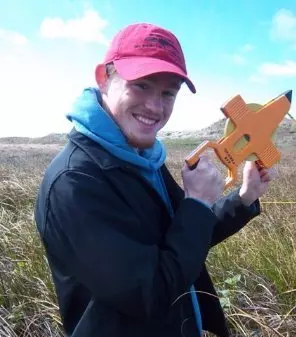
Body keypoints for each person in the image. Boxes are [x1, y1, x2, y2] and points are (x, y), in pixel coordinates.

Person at [34, 22, 276, 337]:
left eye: (167, 93)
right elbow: (149, 294)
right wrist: (198, 203)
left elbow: (182, 238)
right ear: (103, 78)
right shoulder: (75, 184)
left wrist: (243, 198)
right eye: (142, 85)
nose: (155, 106)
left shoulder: (142, 158)